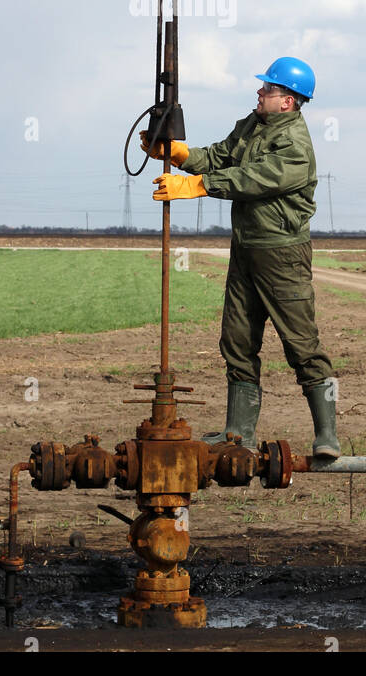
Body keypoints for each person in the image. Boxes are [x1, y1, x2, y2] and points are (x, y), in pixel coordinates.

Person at [141, 56, 340, 460]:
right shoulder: (253, 125)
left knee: (301, 346)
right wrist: (180, 154)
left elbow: (255, 178)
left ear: (288, 101)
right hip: (246, 249)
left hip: (282, 255)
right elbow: (221, 155)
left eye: (268, 88)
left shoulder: (295, 145)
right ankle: (239, 436)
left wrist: (199, 185)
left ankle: (327, 437)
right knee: (237, 341)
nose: (260, 92)